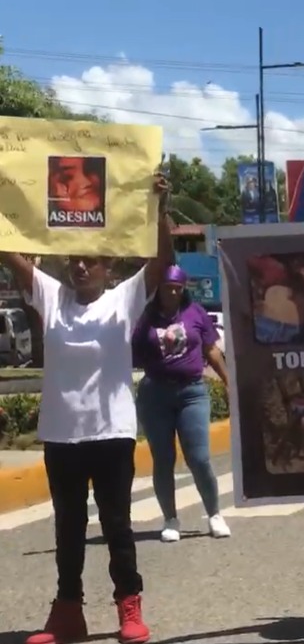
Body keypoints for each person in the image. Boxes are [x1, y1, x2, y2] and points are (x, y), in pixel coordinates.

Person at [11, 174, 175, 644]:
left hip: (111, 434)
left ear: (108, 267)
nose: (81, 267)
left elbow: (161, 261)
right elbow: (9, 255)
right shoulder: (51, 296)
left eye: (91, 261)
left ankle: (129, 607)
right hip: (62, 435)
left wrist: (160, 208)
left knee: (117, 525)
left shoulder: (123, 299)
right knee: (68, 527)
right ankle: (67, 613)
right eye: (74, 260)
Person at [131, 265, 231, 543]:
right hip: (155, 395)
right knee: (163, 459)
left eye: (177, 287)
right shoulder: (145, 317)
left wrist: (228, 381)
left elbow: (211, 349)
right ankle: (170, 519)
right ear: (159, 288)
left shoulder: (196, 313)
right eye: (167, 286)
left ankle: (214, 514)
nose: (172, 291)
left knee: (199, 458)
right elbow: (131, 351)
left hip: (192, 392)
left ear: (183, 288)